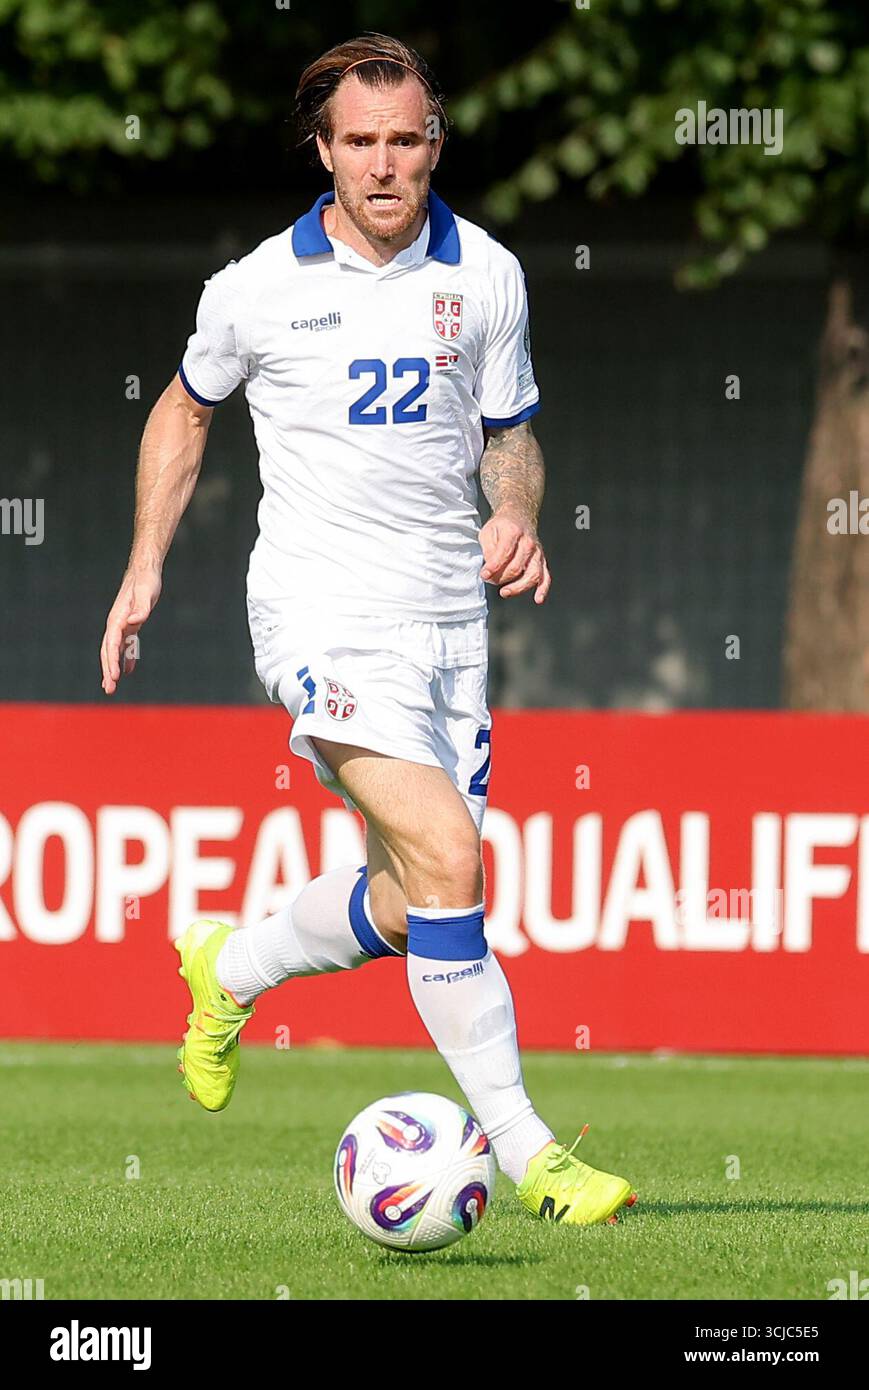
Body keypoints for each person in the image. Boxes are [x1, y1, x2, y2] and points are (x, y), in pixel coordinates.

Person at [99, 32, 635, 1227]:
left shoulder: (485, 273)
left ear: (433, 143)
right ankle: (534, 1154)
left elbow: (511, 431)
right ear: (323, 148)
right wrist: (143, 568)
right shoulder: (253, 288)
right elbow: (182, 416)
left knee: (408, 904)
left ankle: (226, 968)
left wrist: (515, 509)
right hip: (318, 613)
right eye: (361, 143)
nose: (385, 165)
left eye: (406, 141)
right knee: (454, 860)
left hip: (448, 622)